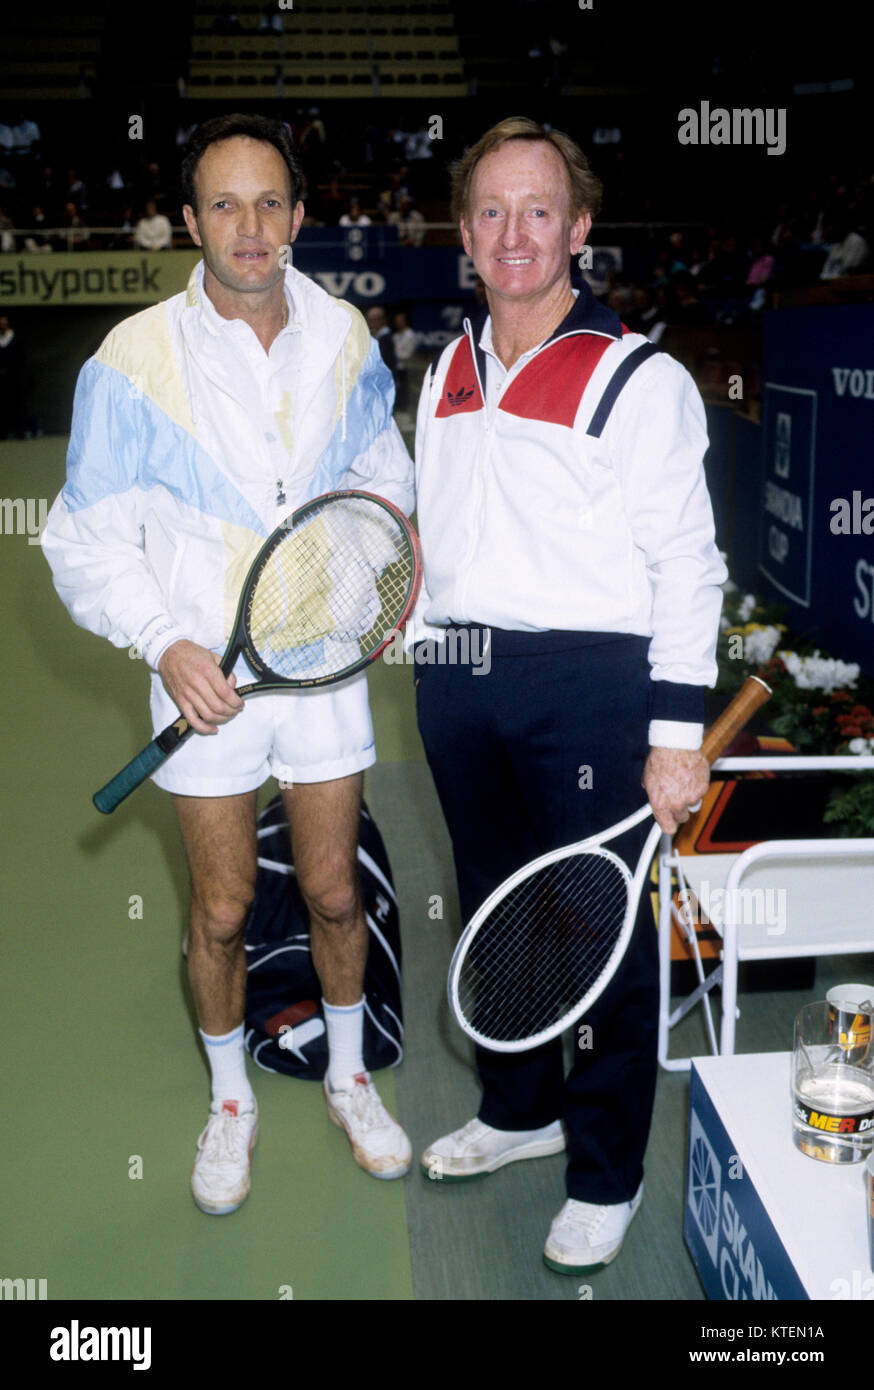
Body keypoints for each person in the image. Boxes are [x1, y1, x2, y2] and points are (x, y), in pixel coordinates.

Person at [41, 113, 415, 1217]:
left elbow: (383, 482)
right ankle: (230, 1102)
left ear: (298, 216)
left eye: (268, 204)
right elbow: (82, 536)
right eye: (223, 205)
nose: (248, 228)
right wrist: (165, 641)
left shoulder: (346, 335)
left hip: (321, 670)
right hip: (200, 679)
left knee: (337, 889)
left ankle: (349, 1075)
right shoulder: (129, 362)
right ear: (190, 221)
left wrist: (373, 585)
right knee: (220, 909)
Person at [410, 117, 726, 1273]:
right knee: (497, 910)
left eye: (536, 209)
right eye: (489, 210)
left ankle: (603, 1169)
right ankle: (515, 1109)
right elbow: (430, 531)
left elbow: (688, 561)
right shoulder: (445, 366)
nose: (512, 232)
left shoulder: (636, 375)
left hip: (590, 682)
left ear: (578, 227)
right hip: (454, 675)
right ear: (463, 230)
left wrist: (674, 731)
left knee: (594, 932)